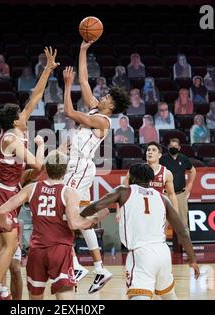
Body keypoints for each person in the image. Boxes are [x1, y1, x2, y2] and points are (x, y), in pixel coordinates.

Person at [0, 47, 58, 300]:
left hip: (6, 194)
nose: (26, 115)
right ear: (16, 122)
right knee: (11, 244)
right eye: (21, 116)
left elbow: (35, 96)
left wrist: (47, 69)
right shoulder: (13, 141)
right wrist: (42, 147)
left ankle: (0, 288)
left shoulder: (14, 128)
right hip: (2, 195)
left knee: (5, 244)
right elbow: (37, 166)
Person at [59, 41, 129, 294]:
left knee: (65, 214)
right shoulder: (96, 108)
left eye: (107, 97)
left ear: (111, 106)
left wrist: (67, 85)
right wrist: (83, 50)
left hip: (79, 166)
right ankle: (99, 268)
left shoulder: (102, 119)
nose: (103, 97)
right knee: (82, 214)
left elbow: (68, 111)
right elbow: (86, 80)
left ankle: (76, 265)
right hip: (80, 166)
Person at [0, 151, 107, 300]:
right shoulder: (69, 192)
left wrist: (5, 223)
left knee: (36, 296)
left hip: (37, 250)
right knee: (65, 296)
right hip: (60, 250)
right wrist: (94, 219)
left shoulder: (32, 188)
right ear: (66, 170)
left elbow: (2, 210)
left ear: (46, 169)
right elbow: (74, 224)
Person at [80, 164, 200, 300]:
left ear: (132, 176)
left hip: (141, 253)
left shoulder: (124, 191)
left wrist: (80, 216)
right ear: (150, 179)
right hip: (163, 252)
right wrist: (193, 260)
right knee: (168, 294)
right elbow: (182, 231)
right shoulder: (162, 198)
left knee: (139, 296)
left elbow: (97, 206)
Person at [0, 153, 37, 300]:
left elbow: (37, 170)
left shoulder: (22, 180)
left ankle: (5, 293)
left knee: (15, 268)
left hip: (10, 224)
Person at [160, 138, 197, 251]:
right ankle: (160, 246)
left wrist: (189, 186)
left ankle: (186, 247)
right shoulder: (163, 159)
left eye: (176, 146)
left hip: (180, 194)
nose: (173, 148)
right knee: (162, 222)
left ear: (179, 148)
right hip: (166, 195)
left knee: (183, 222)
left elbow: (192, 171)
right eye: (171, 146)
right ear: (168, 147)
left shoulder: (183, 159)